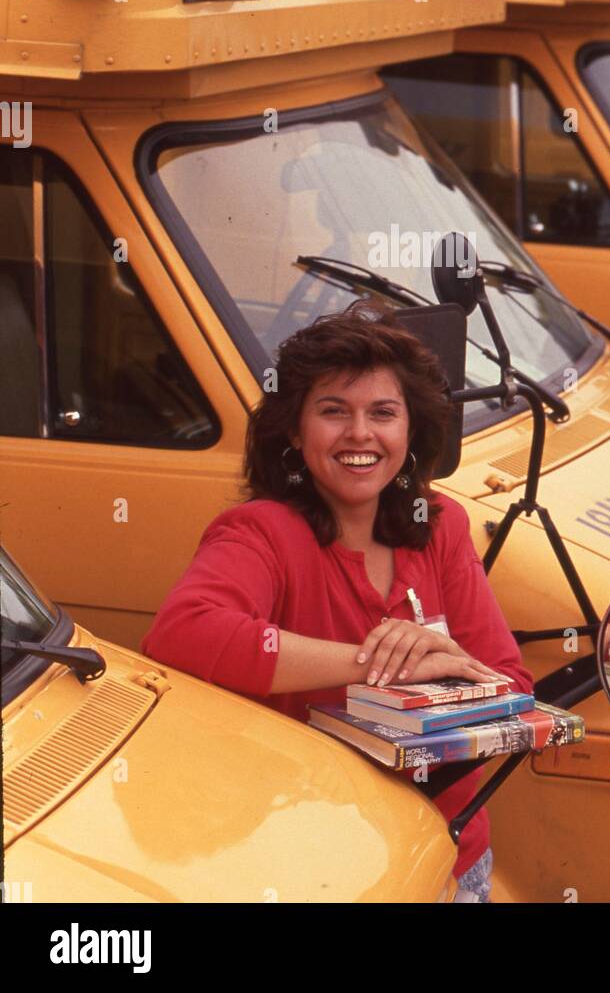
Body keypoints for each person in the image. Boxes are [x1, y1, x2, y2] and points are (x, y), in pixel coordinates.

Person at [141, 300, 534, 903]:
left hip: (453, 858)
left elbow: (508, 684)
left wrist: (442, 661)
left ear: (411, 429)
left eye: (383, 413)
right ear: (295, 432)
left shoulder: (442, 523)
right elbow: (183, 634)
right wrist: (378, 662)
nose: (360, 434)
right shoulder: (261, 532)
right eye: (333, 412)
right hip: (327, 870)